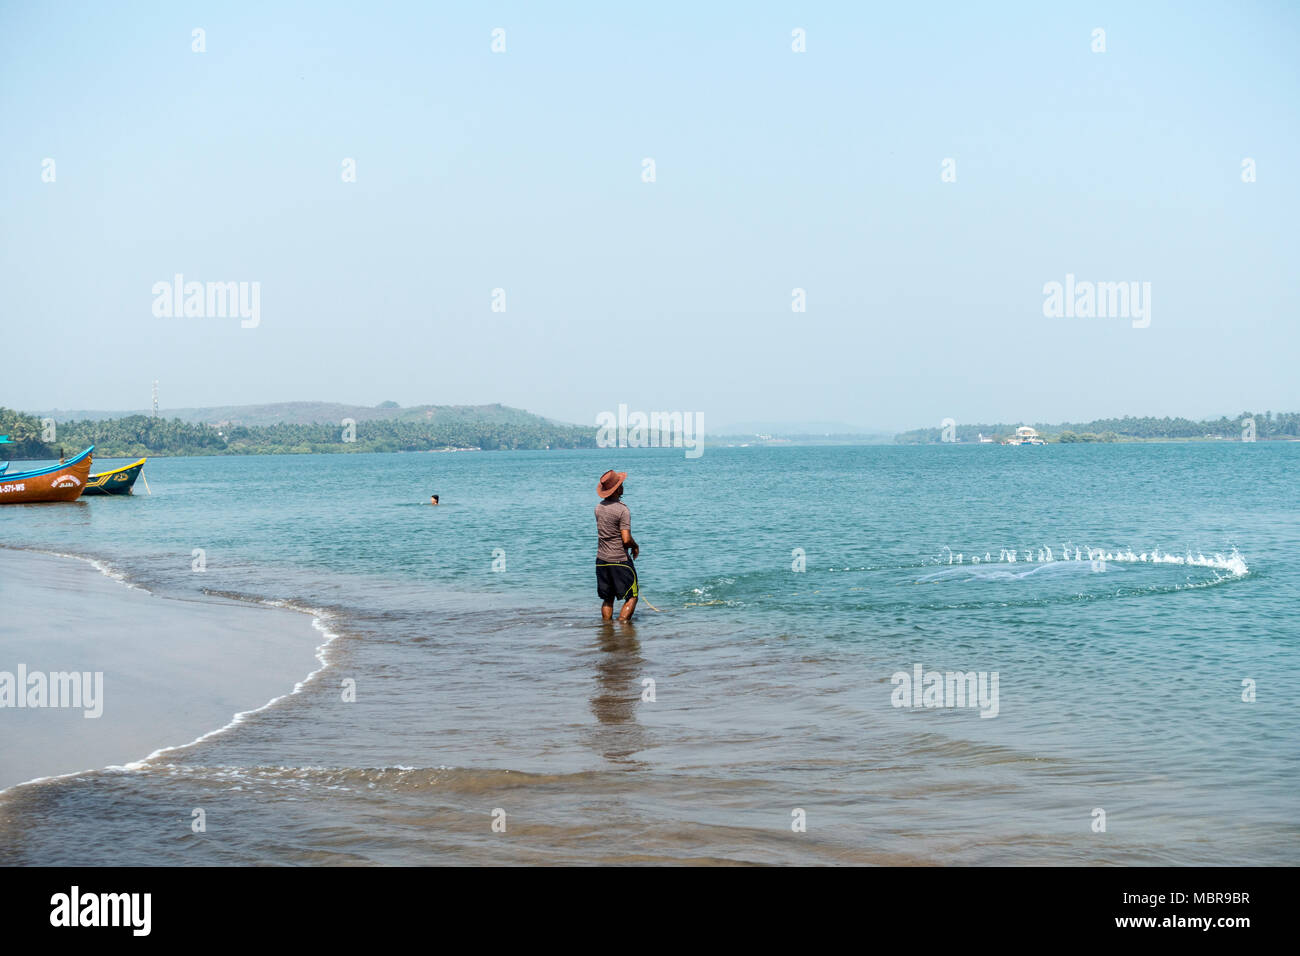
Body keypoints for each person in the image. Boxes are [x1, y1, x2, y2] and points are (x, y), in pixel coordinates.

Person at [595, 469, 638, 622]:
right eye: (621, 484)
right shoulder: (622, 510)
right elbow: (625, 539)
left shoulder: (599, 507)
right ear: (617, 489)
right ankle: (623, 629)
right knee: (632, 596)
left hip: (601, 560)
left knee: (608, 598)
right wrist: (635, 545)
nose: (623, 486)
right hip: (619, 560)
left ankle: (607, 632)